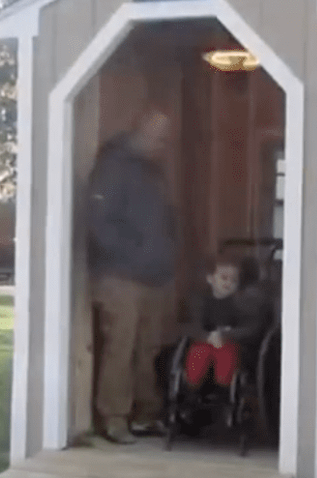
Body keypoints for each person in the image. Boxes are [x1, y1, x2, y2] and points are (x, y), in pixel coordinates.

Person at [86, 104, 177, 444]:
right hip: (119, 275)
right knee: (120, 346)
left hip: (154, 274)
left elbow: (166, 219)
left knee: (148, 347)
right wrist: (132, 254)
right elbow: (99, 222)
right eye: (157, 134)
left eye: (166, 136)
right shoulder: (113, 165)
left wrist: (167, 255)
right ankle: (114, 418)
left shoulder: (155, 170)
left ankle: (146, 414)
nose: (162, 142)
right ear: (140, 130)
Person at [181, 254, 270, 391]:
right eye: (224, 278)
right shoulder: (200, 302)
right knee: (197, 353)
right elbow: (190, 325)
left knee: (226, 355)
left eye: (233, 280)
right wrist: (207, 337)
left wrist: (225, 335)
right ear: (210, 279)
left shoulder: (241, 303)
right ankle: (191, 390)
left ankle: (223, 389)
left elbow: (250, 327)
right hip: (205, 340)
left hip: (229, 342)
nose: (228, 283)